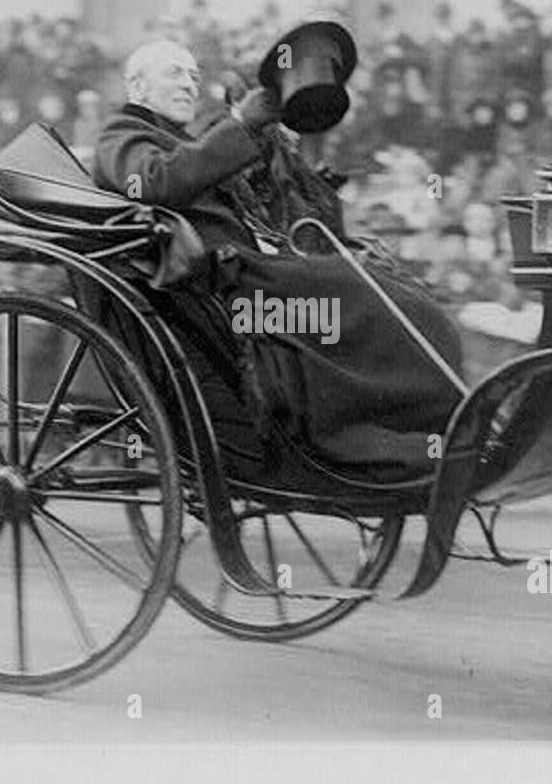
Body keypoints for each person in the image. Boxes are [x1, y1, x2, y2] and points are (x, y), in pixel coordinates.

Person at [92, 38, 465, 478]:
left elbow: (225, 191)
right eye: (175, 73)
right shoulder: (121, 136)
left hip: (243, 286)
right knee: (349, 294)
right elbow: (153, 184)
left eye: (194, 76)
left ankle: (423, 423)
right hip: (228, 301)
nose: (189, 85)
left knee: (374, 287)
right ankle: (361, 436)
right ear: (136, 85)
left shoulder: (179, 140)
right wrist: (239, 123)